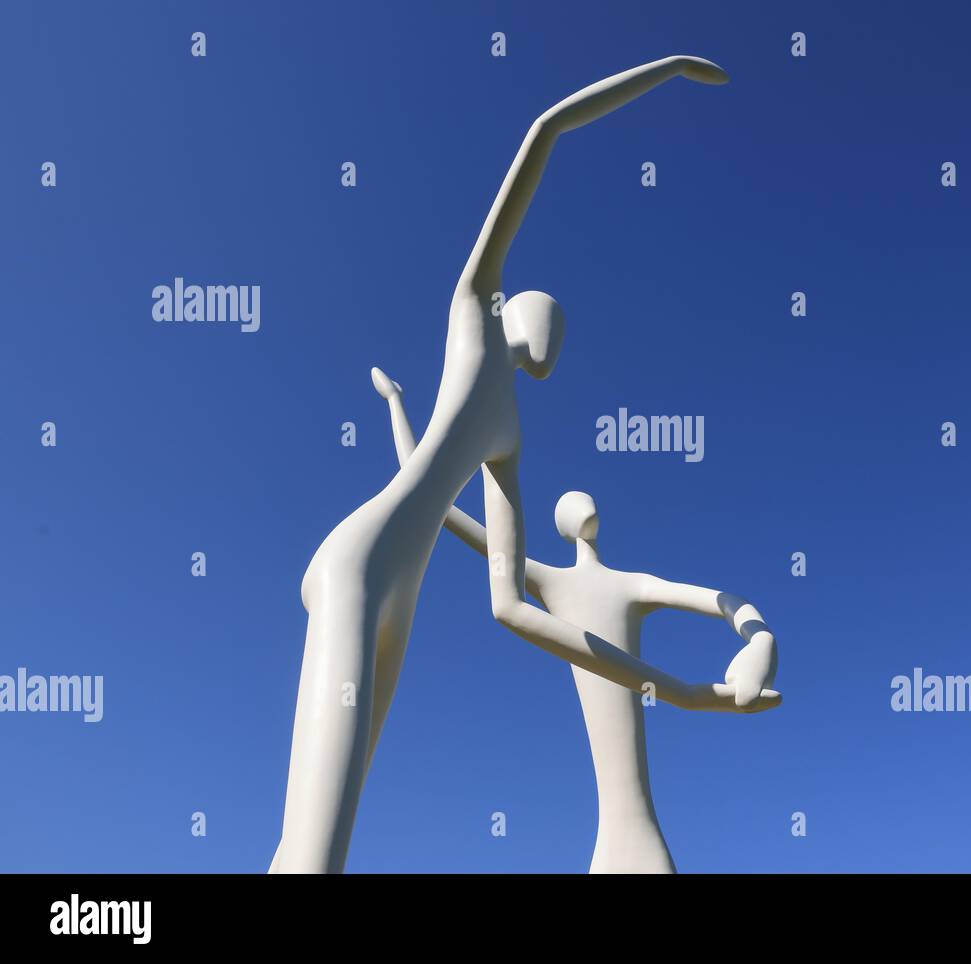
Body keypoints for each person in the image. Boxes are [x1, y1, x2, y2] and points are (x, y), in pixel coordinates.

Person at [270, 56, 779, 874]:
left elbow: (506, 603)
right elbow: (544, 132)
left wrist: (679, 690)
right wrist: (668, 69)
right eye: (550, 319)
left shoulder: (509, 435)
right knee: (315, 850)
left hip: (401, 582)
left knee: (310, 839)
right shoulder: (474, 309)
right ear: (516, 310)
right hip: (359, 565)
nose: (554, 340)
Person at [373, 370, 779, 873]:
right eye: (569, 505)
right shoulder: (547, 581)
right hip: (613, 837)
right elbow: (441, 505)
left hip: (644, 832)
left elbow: (725, 600)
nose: (581, 506)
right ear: (560, 528)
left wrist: (760, 639)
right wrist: (396, 405)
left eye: (585, 501)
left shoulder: (633, 584)